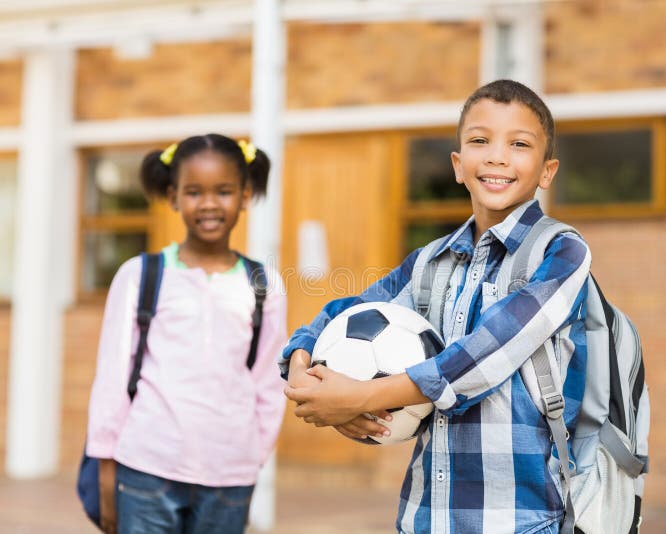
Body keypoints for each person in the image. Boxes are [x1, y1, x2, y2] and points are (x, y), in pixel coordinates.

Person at [282, 79, 592, 534]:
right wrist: (302, 370)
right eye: (480, 141)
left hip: (523, 521)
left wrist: (360, 397)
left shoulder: (561, 254)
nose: (497, 156)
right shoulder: (430, 261)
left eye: (519, 144)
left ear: (547, 171)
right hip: (423, 518)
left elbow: (480, 360)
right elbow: (342, 312)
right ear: (458, 165)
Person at [86, 133, 287, 534]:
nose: (209, 203)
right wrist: (106, 467)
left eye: (224, 191)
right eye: (194, 192)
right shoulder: (140, 275)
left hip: (230, 477)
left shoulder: (264, 285)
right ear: (174, 197)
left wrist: (252, 455)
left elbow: (268, 381)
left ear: (245, 196)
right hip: (146, 469)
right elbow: (111, 376)